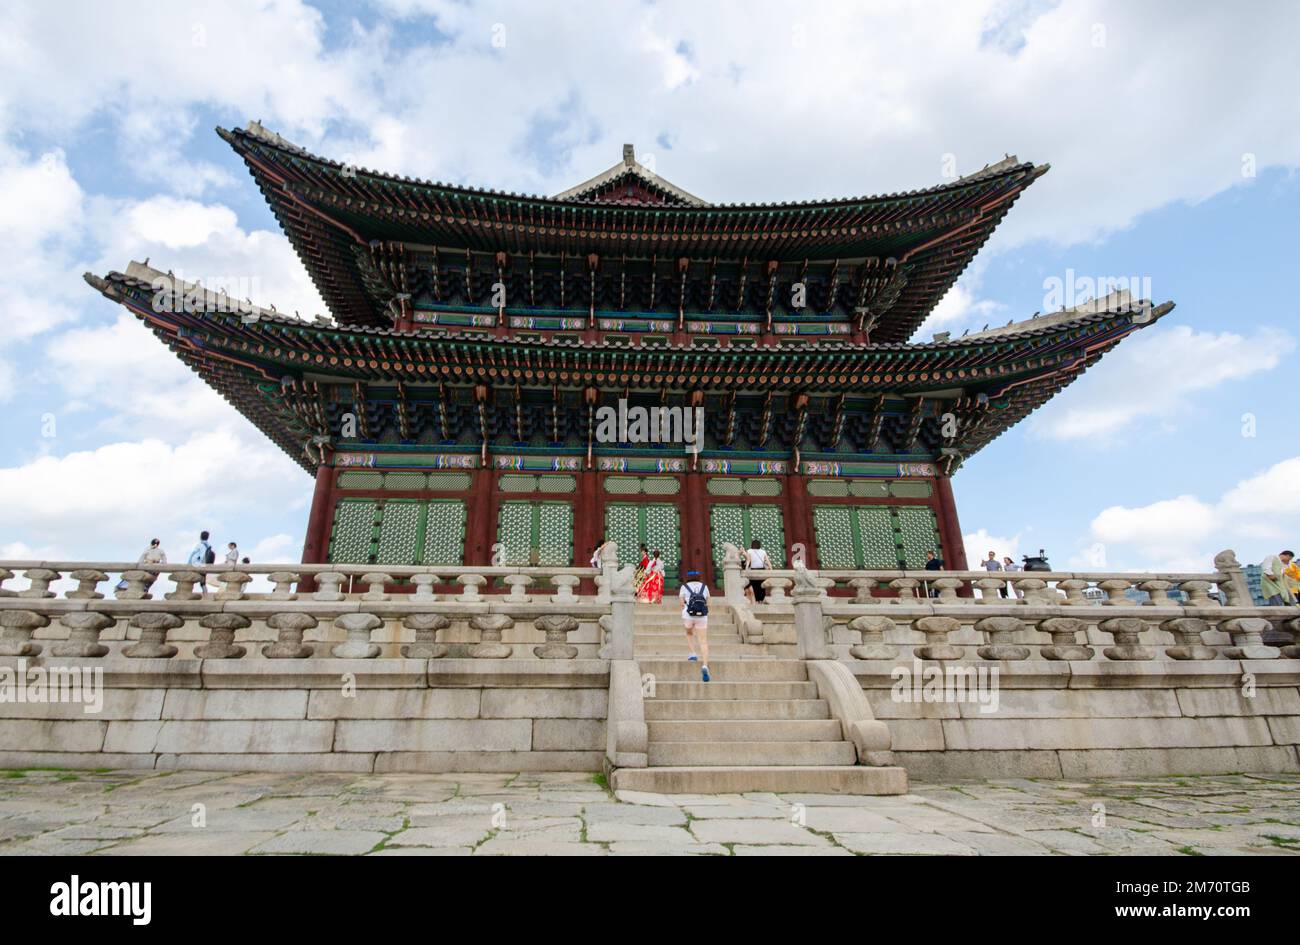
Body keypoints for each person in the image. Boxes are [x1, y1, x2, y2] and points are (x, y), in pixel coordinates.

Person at [679, 570, 711, 682]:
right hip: (702, 616)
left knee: (689, 632)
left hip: (688, 615)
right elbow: (708, 603)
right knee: (703, 641)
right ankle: (705, 665)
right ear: (698, 577)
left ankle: (692, 653)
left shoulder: (684, 587)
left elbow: (682, 603)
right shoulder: (704, 587)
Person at [745, 539, 770, 603]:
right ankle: (761, 600)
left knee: (754, 586)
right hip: (762, 570)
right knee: (761, 586)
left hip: (753, 570)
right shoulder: (763, 551)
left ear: (752, 544)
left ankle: (756, 601)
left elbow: (748, 560)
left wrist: (746, 568)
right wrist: (771, 569)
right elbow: (767, 561)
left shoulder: (749, 551)